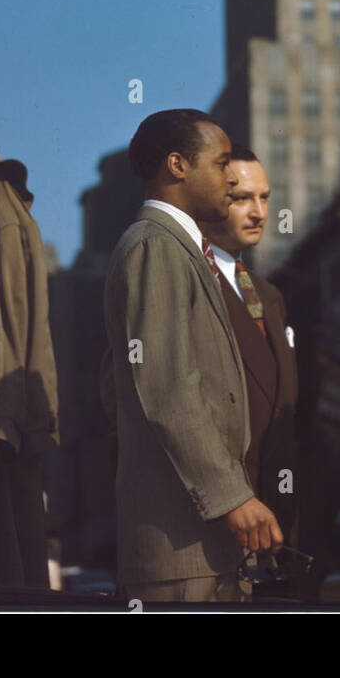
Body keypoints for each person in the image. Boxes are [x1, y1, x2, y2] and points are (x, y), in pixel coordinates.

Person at [102, 109, 282, 603]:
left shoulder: (179, 247)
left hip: (204, 547)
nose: (230, 176)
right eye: (221, 163)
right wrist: (233, 498)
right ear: (178, 166)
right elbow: (167, 389)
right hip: (181, 549)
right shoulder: (155, 246)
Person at [201, 145, 299, 548]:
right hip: (212, 526)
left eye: (264, 197)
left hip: (280, 523)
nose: (259, 212)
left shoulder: (269, 295)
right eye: (241, 198)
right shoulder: (185, 279)